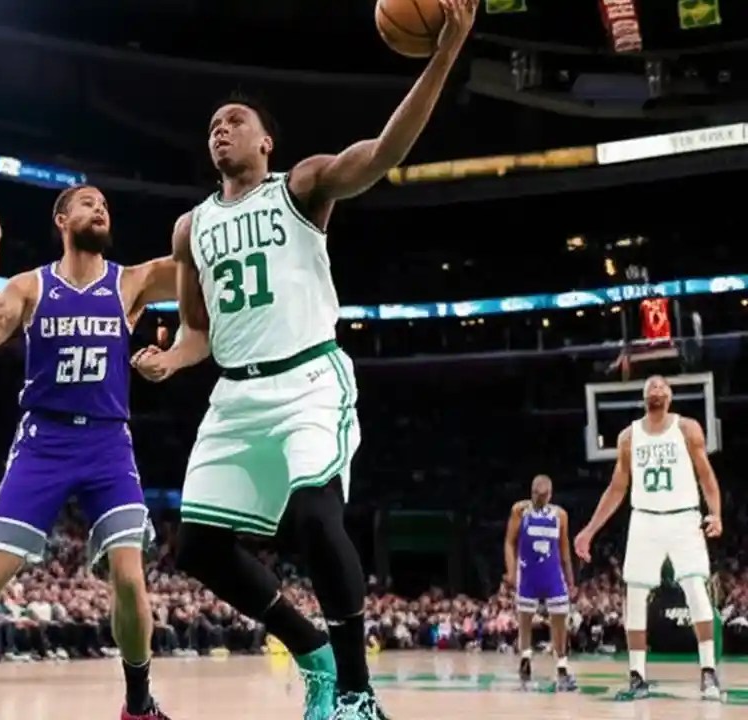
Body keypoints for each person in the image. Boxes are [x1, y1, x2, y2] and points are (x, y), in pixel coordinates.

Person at [131, 2, 478, 717]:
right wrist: (172, 362)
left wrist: (446, 50)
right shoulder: (189, 227)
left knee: (320, 519)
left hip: (309, 380)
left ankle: (355, 692)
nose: (219, 129)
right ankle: (309, 645)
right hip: (235, 395)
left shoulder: (302, 186)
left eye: (234, 121)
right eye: (212, 125)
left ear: (266, 142)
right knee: (196, 547)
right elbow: (196, 329)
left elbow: (383, 152)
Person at [0, 187, 177, 720]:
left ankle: (138, 705)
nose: (100, 209)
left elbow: (193, 266)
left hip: (108, 441)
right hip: (43, 442)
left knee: (130, 574)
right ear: (62, 218)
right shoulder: (32, 285)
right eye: (89, 203)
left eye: (105, 206)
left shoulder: (130, 281)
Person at [574, 375, 724, 701]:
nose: (656, 389)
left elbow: (706, 474)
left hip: (684, 517)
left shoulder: (687, 429)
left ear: (669, 396)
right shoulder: (629, 436)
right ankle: (637, 676)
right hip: (644, 519)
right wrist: (589, 529)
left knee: (696, 589)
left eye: (661, 386)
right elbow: (617, 488)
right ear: (644, 397)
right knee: (636, 595)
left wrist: (716, 513)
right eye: (650, 387)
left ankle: (709, 673)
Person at [503, 474, 576, 691]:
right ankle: (525, 658)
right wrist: (511, 571)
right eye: (536, 493)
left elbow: (564, 550)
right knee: (524, 620)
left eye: (543, 495)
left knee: (559, 619)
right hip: (528, 572)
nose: (539, 498)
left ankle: (562, 664)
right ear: (531, 491)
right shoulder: (520, 511)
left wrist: (571, 580)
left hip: (553, 574)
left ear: (550, 494)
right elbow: (509, 542)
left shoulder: (560, 515)